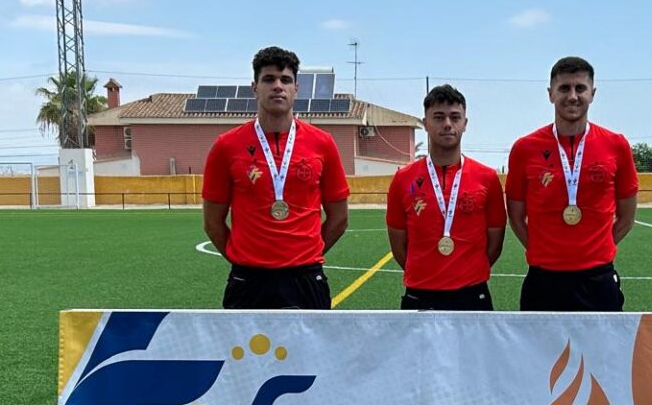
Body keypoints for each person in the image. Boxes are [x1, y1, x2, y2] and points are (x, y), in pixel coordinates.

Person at [201, 46, 350, 309]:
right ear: (254, 87)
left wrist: (307, 254)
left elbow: (339, 218)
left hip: (305, 278)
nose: (277, 86)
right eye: (268, 79)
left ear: (297, 88)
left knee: (309, 352)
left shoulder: (323, 143)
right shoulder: (226, 146)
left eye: (285, 80)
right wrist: (243, 257)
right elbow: (213, 222)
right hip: (248, 280)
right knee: (245, 352)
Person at [506, 55, 638, 311]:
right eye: (564, 88)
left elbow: (627, 217)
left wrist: (598, 248)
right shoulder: (524, 148)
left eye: (581, 88)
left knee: (601, 352)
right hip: (543, 279)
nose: (573, 96)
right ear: (550, 94)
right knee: (540, 352)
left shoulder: (616, 145)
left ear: (593, 93)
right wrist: (542, 249)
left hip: (598, 279)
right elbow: (516, 217)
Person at [385, 84, 506, 310]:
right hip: (420, 296)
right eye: (439, 117)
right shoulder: (403, 179)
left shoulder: (487, 178)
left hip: (472, 295)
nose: (448, 124)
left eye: (455, 117)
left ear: (465, 124)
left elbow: (495, 244)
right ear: (425, 123)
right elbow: (399, 246)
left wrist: (468, 273)